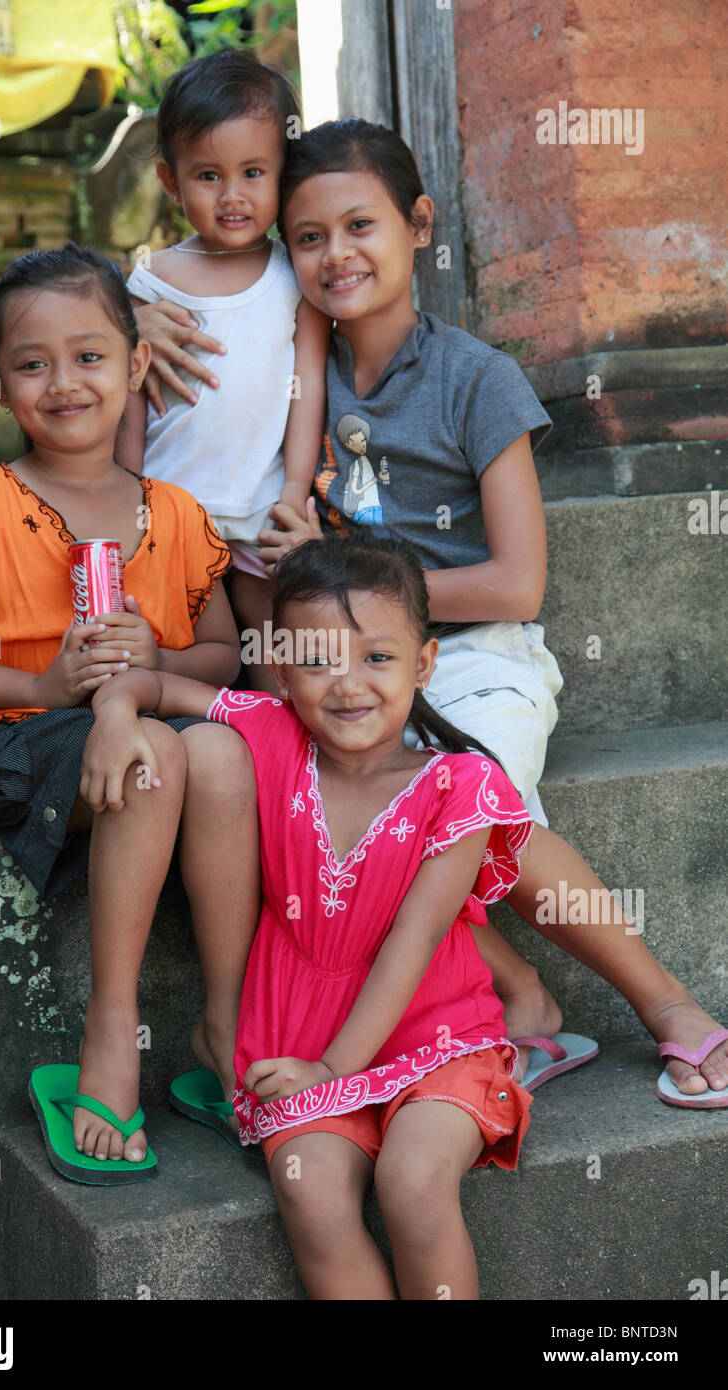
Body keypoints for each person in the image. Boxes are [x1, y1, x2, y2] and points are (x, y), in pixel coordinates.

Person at [147, 119, 728, 1110]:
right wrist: (133, 314)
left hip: (471, 656)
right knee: (318, 816)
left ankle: (670, 1007)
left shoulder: (475, 379)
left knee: (473, 801)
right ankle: (513, 993)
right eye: (307, 236)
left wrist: (372, 598)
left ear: (417, 225)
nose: (336, 255)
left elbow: (514, 584)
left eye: (360, 225)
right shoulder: (288, 379)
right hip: (336, 671)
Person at [99, 533, 536, 1298]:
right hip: (293, 1039)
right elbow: (158, 688)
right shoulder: (270, 733)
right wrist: (112, 711)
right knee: (309, 1194)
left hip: (435, 1040)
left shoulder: (460, 786)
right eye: (316, 660)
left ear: (423, 664)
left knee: (412, 1181)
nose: (347, 685)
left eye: (376, 657)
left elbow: (416, 939)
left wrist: (336, 1069)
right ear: (279, 666)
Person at [0, 243, 241, 1183]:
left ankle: (223, 1024)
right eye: (32, 362)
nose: (63, 382)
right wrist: (47, 690)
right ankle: (110, 1038)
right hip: (13, 743)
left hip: (143, 731)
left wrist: (159, 659)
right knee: (159, 757)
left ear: (135, 367)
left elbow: (222, 653)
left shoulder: (175, 513)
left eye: (90, 356)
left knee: (217, 755)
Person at [115, 51, 330, 683]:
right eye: (208, 175)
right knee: (179, 659)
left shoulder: (294, 273)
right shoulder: (153, 281)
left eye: (254, 172)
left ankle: (281, 765)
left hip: (261, 507)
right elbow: (128, 396)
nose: (232, 195)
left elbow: (306, 382)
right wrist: (127, 493)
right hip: (170, 509)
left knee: (275, 662)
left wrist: (294, 490)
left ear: (284, 174)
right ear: (171, 181)